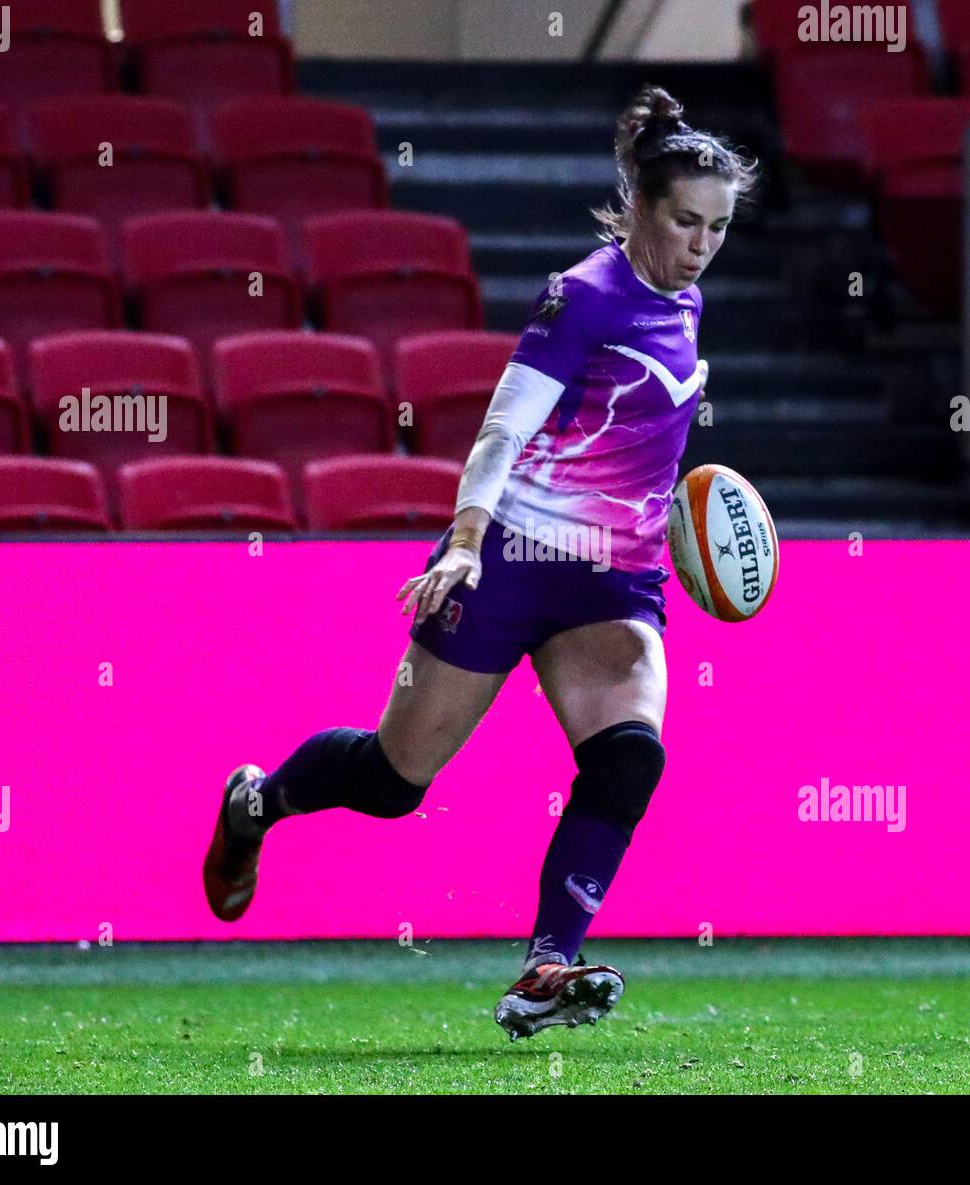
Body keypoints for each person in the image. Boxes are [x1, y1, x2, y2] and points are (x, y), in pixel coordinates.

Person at [203, 84, 758, 1040]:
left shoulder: (688, 299)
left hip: (613, 575)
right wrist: (462, 543)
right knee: (393, 781)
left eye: (717, 226)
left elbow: (626, 435)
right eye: (685, 222)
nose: (703, 244)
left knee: (630, 758)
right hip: (506, 556)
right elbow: (504, 429)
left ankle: (545, 964)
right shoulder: (581, 297)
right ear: (639, 208)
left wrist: (667, 514)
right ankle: (255, 802)